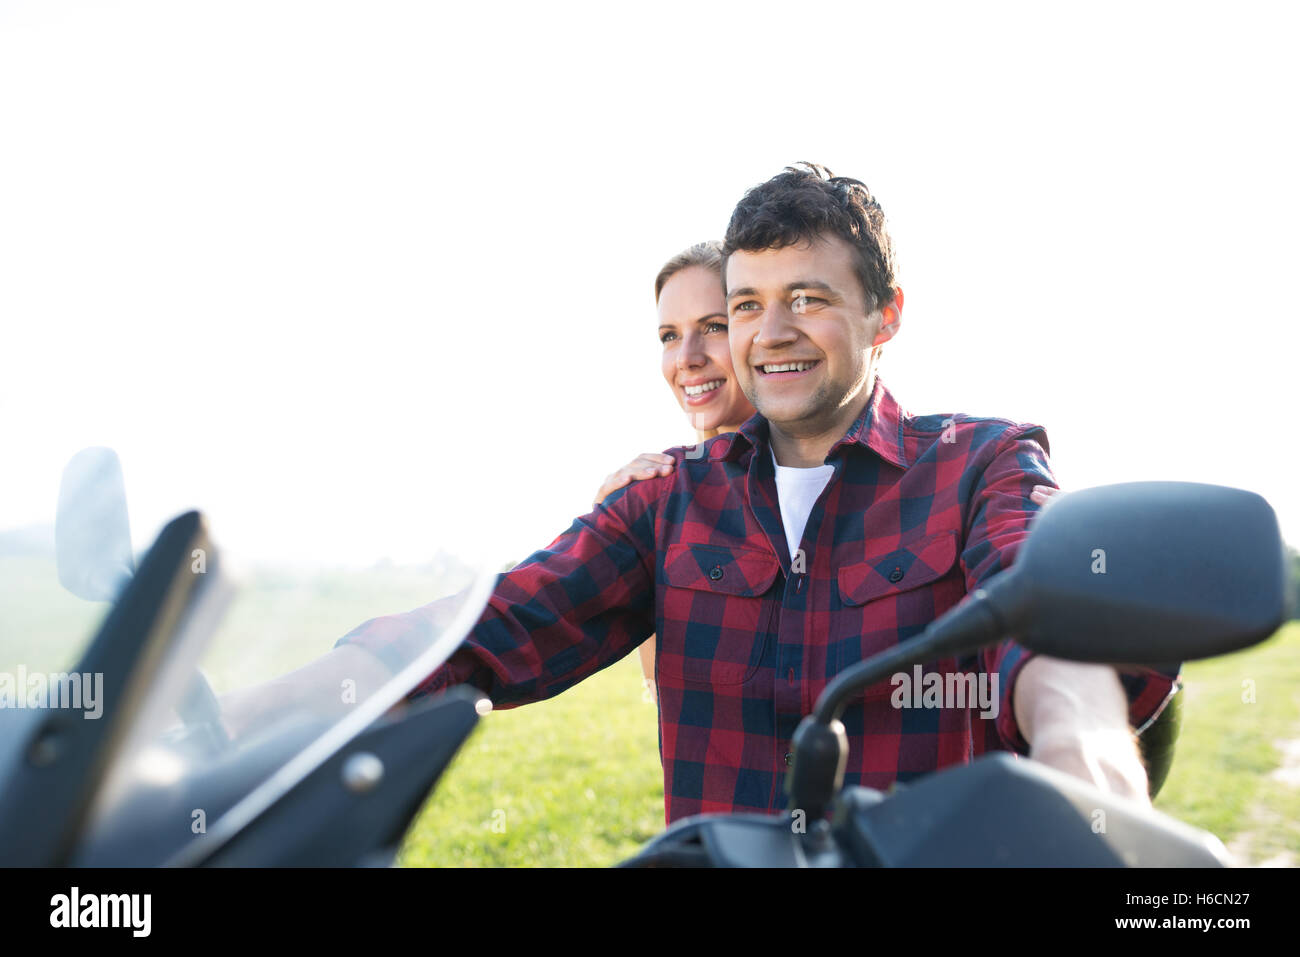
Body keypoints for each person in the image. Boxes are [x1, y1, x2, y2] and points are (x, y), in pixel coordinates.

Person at [235, 163, 1178, 824]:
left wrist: (1088, 771)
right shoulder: (667, 502)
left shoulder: (981, 463)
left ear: (885, 314)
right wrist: (234, 721)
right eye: (745, 306)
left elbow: (1049, 620)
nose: (768, 333)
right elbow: (486, 629)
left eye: (807, 298)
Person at [593, 241, 757, 705]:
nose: (686, 357)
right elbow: (664, 695)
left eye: (713, 327)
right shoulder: (659, 492)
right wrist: (624, 536)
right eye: (669, 336)